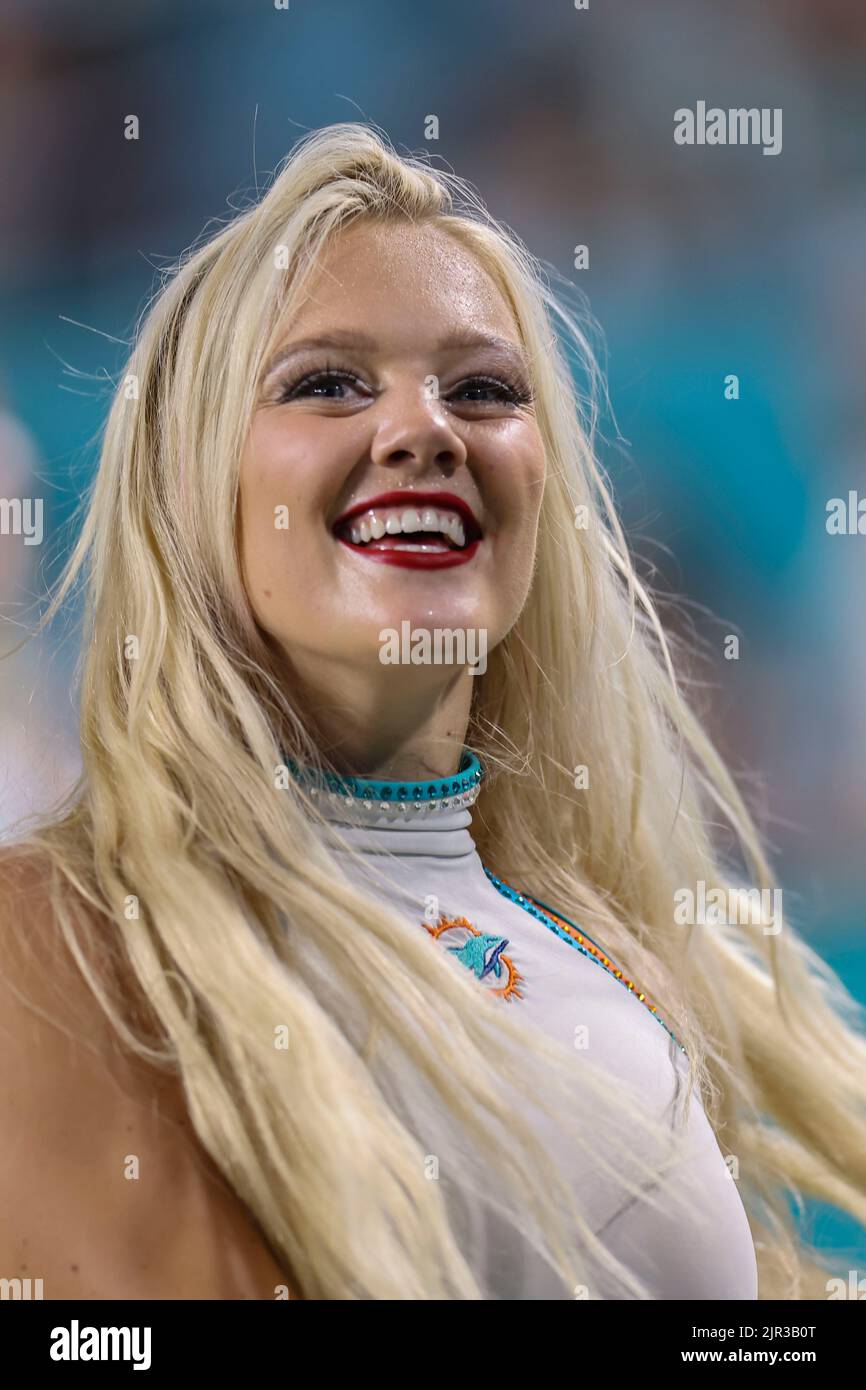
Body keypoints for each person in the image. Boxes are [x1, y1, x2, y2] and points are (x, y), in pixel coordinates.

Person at [1, 122, 863, 1301]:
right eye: (326, 383)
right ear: (191, 485)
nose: (422, 430)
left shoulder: (608, 950)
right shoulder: (60, 940)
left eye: (483, 390)